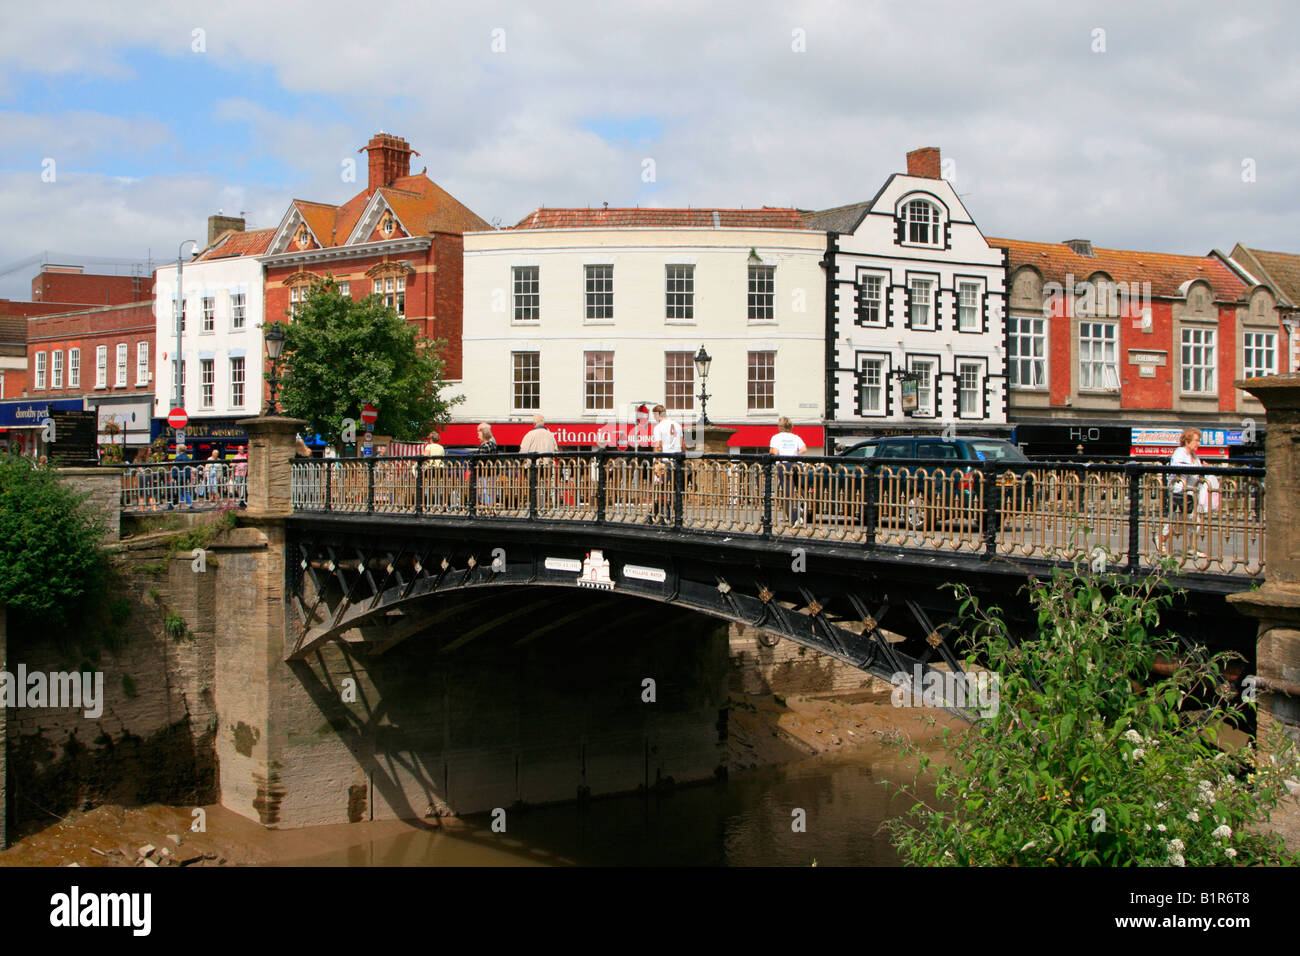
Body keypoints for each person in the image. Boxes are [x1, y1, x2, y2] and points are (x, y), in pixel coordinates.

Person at [1158, 428, 1204, 557]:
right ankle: (1161, 542)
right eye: (1196, 440)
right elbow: (1179, 467)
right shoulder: (1180, 452)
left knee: (1194, 520)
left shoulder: (1195, 456)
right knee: (1172, 520)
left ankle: (1192, 547)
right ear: (1187, 441)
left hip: (1191, 492)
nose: (1198, 443)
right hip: (1178, 491)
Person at [769, 417, 808, 526]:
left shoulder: (776, 437)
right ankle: (803, 512)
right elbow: (804, 449)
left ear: (779, 427)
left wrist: (771, 451)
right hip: (797, 464)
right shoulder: (796, 437)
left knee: (788, 493)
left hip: (784, 465)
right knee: (801, 489)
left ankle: (794, 519)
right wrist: (795, 454)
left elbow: (775, 452)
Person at [520, 414, 560, 509]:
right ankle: (544, 506)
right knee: (545, 486)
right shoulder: (550, 435)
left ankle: (535, 507)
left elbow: (523, 451)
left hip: (533, 466)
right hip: (547, 466)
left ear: (534, 423)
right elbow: (556, 450)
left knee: (533, 487)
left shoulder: (529, 435)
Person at [476, 423, 498, 509]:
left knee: (484, 490)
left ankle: (486, 506)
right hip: (493, 471)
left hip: (484, 472)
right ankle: (491, 507)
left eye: (479, 434)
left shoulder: (484, 446)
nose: (478, 436)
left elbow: (480, 459)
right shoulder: (493, 444)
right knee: (491, 490)